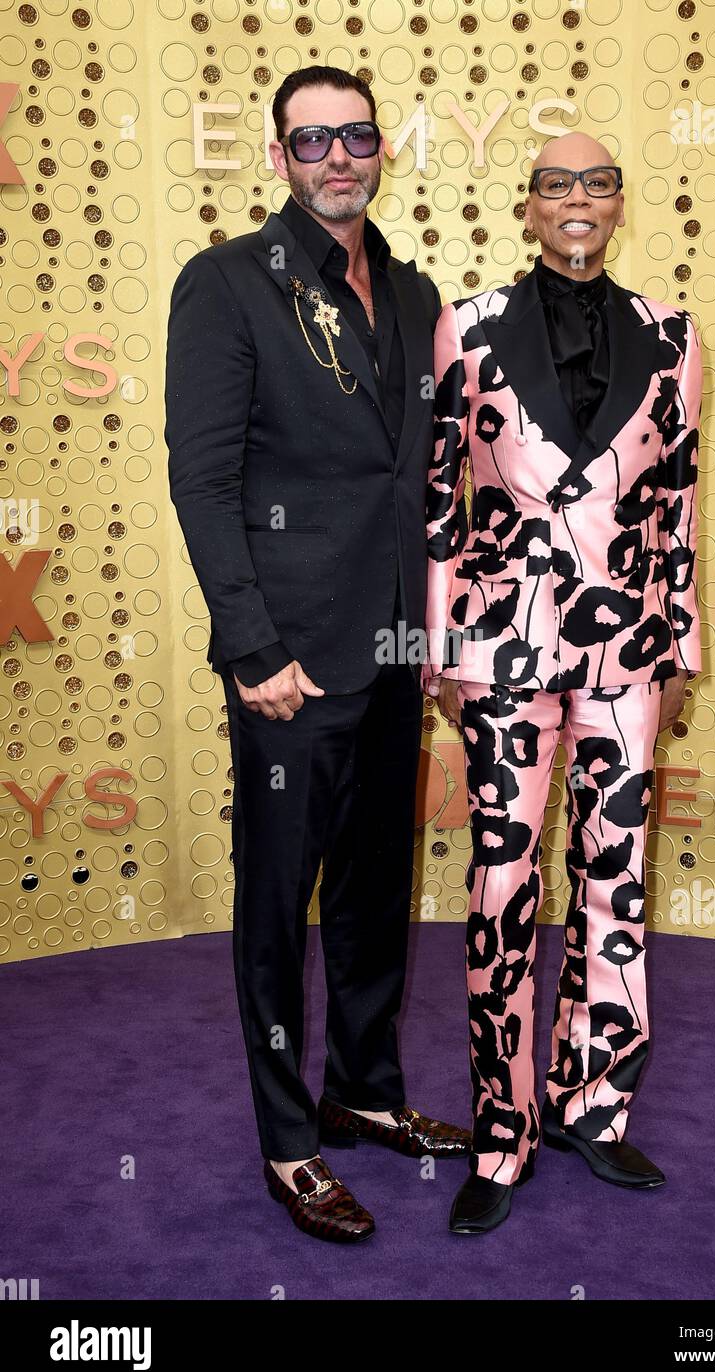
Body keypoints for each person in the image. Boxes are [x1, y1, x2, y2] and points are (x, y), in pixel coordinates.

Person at [165, 64, 470, 1246]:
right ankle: (291, 1142)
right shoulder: (229, 282)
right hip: (288, 657)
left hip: (395, 645)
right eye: (311, 142)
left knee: (375, 894)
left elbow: (418, 474)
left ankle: (364, 1089)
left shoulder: (411, 288)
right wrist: (251, 646)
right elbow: (204, 480)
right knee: (276, 910)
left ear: (381, 147)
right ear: (279, 156)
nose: (336, 158)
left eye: (354, 137)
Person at [423, 131, 702, 1234]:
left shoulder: (674, 337)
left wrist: (677, 641)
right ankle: (503, 1129)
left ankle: (597, 1102)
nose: (576, 199)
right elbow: (441, 490)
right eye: (555, 185)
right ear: (527, 208)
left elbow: (676, 503)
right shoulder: (469, 323)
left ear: (617, 203)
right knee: (501, 887)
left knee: (613, 881)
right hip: (500, 646)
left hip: (628, 649)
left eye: (595, 182)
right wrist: (440, 643)